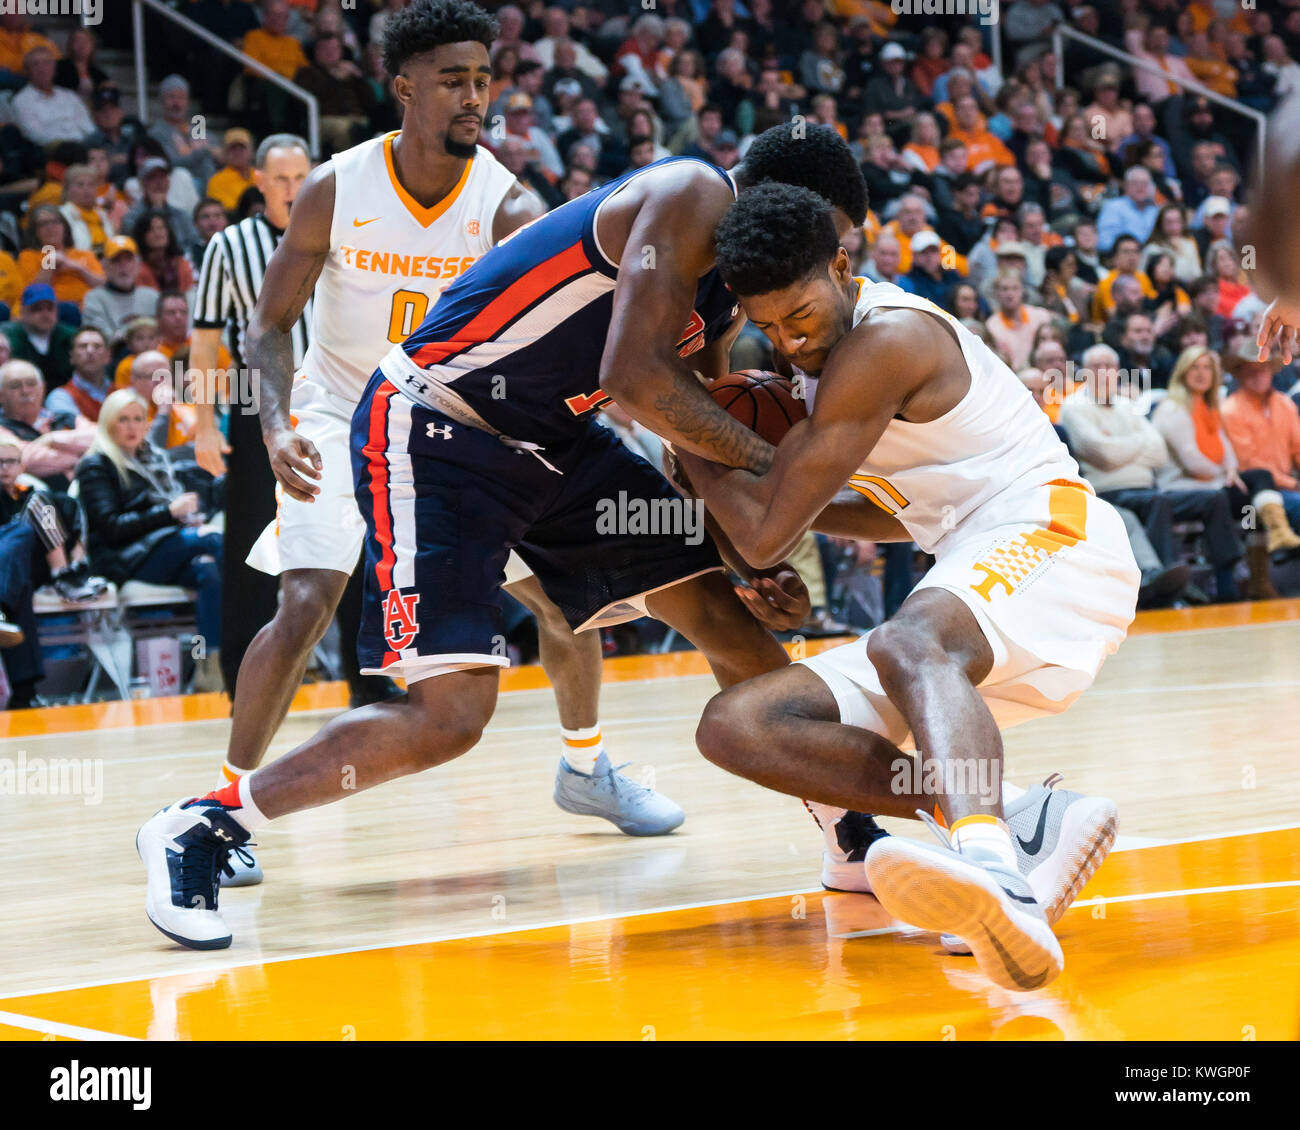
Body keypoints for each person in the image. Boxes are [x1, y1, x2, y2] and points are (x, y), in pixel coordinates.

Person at [138, 116, 892, 949]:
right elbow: (634, 377)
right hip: (439, 426)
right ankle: (204, 824)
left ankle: (849, 832)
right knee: (451, 716)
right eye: (831, 244)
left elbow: (692, 433)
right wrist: (773, 477)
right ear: (789, 207)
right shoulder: (692, 194)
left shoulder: (733, 288)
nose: (829, 270)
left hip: (555, 443)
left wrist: (744, 548)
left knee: (724, 614)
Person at [209, 2, 693, 891]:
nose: (475, 96)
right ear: (404, 86)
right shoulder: (334, 186)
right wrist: (275, 423)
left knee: (560, 600)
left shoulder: (509, 202)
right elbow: (270, 324)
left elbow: (562, 339)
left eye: (483, 79)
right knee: (307, 599)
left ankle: (585, 768)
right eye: (453, 80)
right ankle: (226, 805)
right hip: (338, 410)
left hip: (454, 426)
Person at [671, 181, 1133, 992]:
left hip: (1060, 537)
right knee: (740, 724)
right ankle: (1025, 820)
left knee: (906, 639)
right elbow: (887, 513)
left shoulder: (889, 338)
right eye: (768, 327)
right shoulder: (821, 372)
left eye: (799, 316)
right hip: (984, 571)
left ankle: (993, 865)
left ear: (842, 265)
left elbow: (762, 532)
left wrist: (687, 429)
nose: (788, 342)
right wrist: (755, 480)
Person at [1060, 344, 1243, 602]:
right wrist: (1137, 444)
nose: (1103, 372)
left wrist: (1119, 446)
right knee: (1160, 501)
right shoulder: (1074, 407)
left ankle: (1227, 583)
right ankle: (1172, 583)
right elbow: (1103, 455)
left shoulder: (1127, 405)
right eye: (1096, 367)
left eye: (1109, 367)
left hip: (1148, 490)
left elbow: (1158, 452)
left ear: (1118, 372)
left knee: (1215, 498)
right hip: (1109, 493)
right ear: (1084, 373)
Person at [76, 388, 223, 690]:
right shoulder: (96, 465)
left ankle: (211, 670)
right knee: (214, 542)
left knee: (209, 572)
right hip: (123, 559)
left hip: (160, 549)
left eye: (138, 419)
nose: (132, 427)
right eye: (123, 419)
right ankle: (256, 636)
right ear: (107, 423)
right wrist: (169, 513)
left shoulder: (152, 459)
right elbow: (111, 528)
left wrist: (183, 516)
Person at [1153, 346, 1300, 592]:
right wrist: (1227, 474)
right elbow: (1193, 461)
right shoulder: (1174, 408)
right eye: (1194, 367)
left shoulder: (1211, 408)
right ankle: (1245, 577)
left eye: (1207, 367)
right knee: (1257, 493)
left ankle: (1260, 577)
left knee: (1253, 506)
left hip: (1223, 485)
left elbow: (1229, 454)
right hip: (1188, 486)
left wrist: (1230, 470)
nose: (1201, 373)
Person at [2, 284, 75, 391]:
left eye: (50, 308)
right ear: (23, 312)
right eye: (37, 309)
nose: (44, 314)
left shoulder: (70, 337)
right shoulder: (7, 336)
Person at [81, 236, 158, 334]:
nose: (123, 265)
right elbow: (101, 338)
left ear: (138, 265)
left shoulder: (152, 297)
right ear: (105, 266)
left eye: (128, 259)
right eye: (116, 260)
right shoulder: (94, 299)